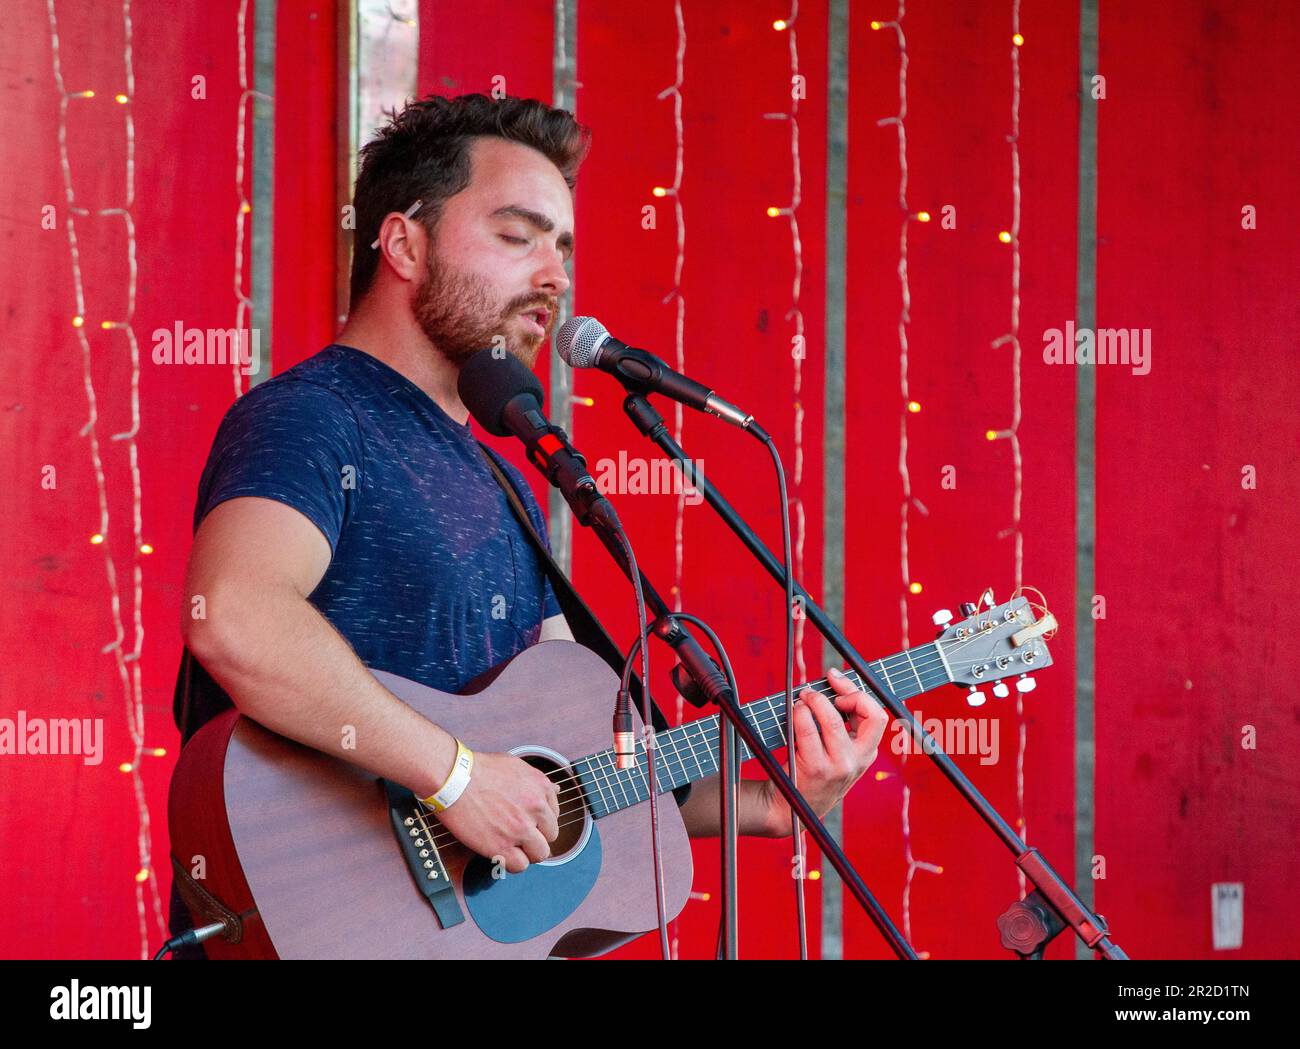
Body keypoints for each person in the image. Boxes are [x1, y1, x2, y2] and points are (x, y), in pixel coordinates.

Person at [167, 93, 887, 958]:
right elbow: (236, 616)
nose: (555, 275)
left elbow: (578, 772)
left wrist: (767, 798)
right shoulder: (317, 416)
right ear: (403, 243)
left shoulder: (509, 473)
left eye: (563, 247)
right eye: (519, 235)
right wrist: (456, 774)